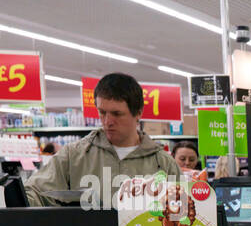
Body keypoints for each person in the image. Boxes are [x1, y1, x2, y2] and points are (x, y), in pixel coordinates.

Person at [26, 72, 180, 206]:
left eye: (117, 114)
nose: (108, 121)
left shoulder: (163, 163)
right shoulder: (73, 156)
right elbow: (36, 193)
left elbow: (181, 213)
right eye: (102, 112)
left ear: (138, 113)